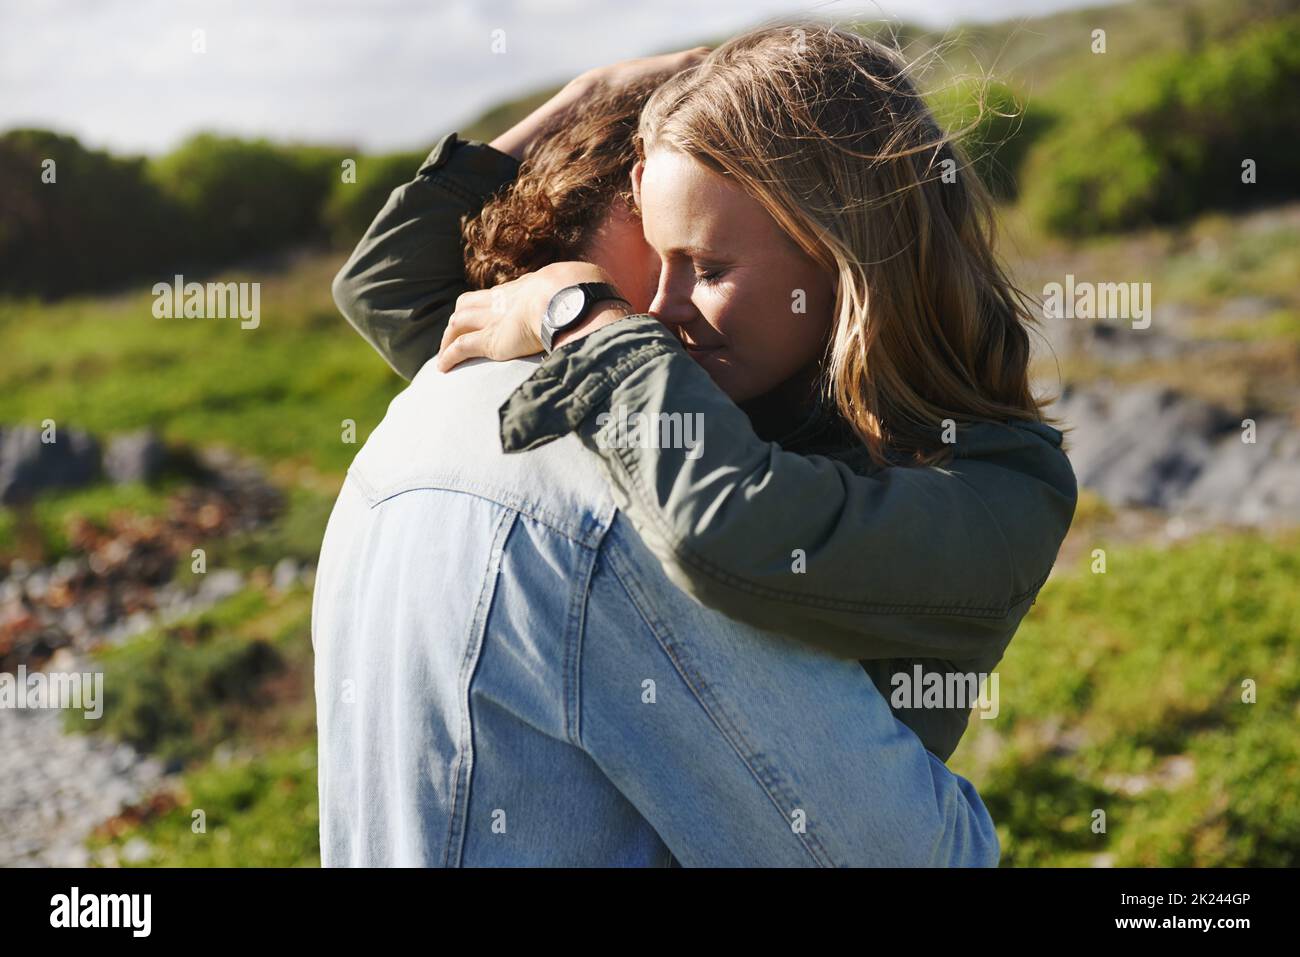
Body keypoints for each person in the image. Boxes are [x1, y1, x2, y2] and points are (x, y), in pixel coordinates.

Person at [333, 25, 1077, 762]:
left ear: (848, 253)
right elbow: (387, 284)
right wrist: (591, 93)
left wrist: (586, 317)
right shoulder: (735, 384)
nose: (661, 307)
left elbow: (728, 529)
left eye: (708, 267)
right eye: (659, 259)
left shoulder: (1004, 487)